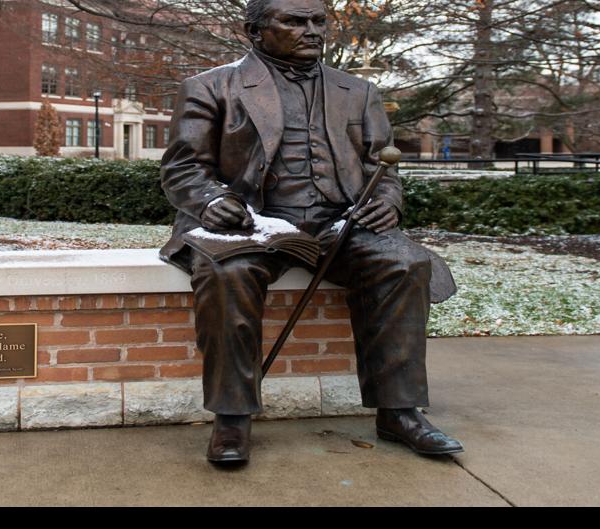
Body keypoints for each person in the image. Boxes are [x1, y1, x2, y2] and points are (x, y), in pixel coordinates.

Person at [158, 0, 463, 464]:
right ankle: (232, 416)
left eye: (318, 21)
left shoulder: (359, 91)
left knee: (404, 264)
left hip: (338, 222)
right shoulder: (211, 87)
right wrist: (213, 201)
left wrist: (384, 201)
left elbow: (382, 166)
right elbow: (183, 169)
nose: (312, 30)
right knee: (227, 275)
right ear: (255, 31)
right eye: (295, 21)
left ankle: (399, 411)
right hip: (253, 221)